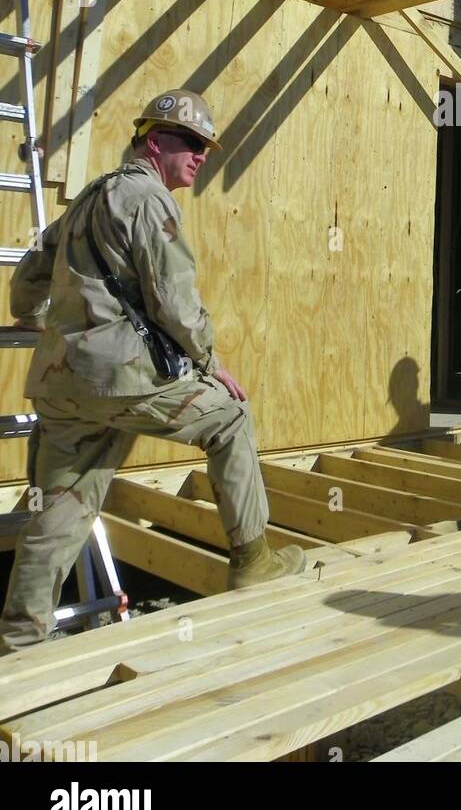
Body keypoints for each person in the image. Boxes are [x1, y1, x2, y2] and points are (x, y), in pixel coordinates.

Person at [0, 90, 305, 654]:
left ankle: (20, 641)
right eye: (191, 143)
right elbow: (174, 300)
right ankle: (253, 561)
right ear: (156, 141)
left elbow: (25, 287)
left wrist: (54, 324)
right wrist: (212, 364)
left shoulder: (91, 198)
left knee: (62, 507)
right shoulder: (150, 200)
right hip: (123, 380)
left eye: (207, 147)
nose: (201, 156)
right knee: (232, 416)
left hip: (61, 385)